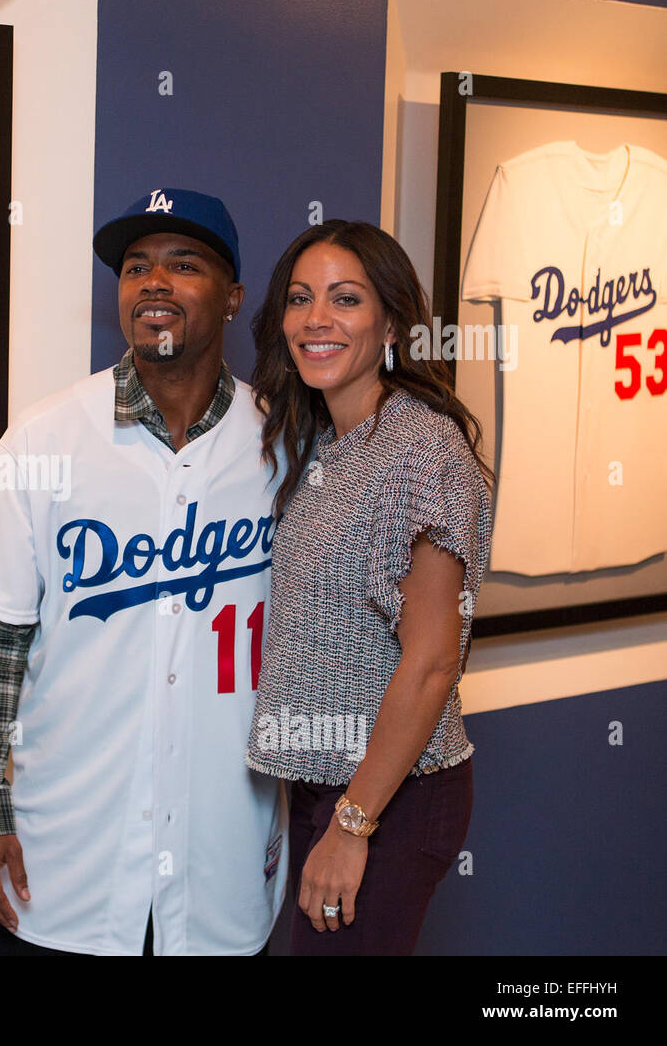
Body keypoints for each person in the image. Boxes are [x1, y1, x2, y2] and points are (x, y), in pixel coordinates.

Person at [0, 189, 288, 955]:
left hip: (225, 852)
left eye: (183, 263)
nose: (154, 282)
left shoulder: (280, 446)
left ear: (232, 297)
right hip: (65, 859)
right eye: (136, 267)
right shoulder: (44, 437)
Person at [245, 219, 495, 955]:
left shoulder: (422, 447)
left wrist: (352, 826)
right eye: (299, 299)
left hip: (392, 799)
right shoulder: (323, 438)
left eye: (344, 299)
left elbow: (429, 664)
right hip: (332, 784)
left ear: (389, 320)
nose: (316, 320)